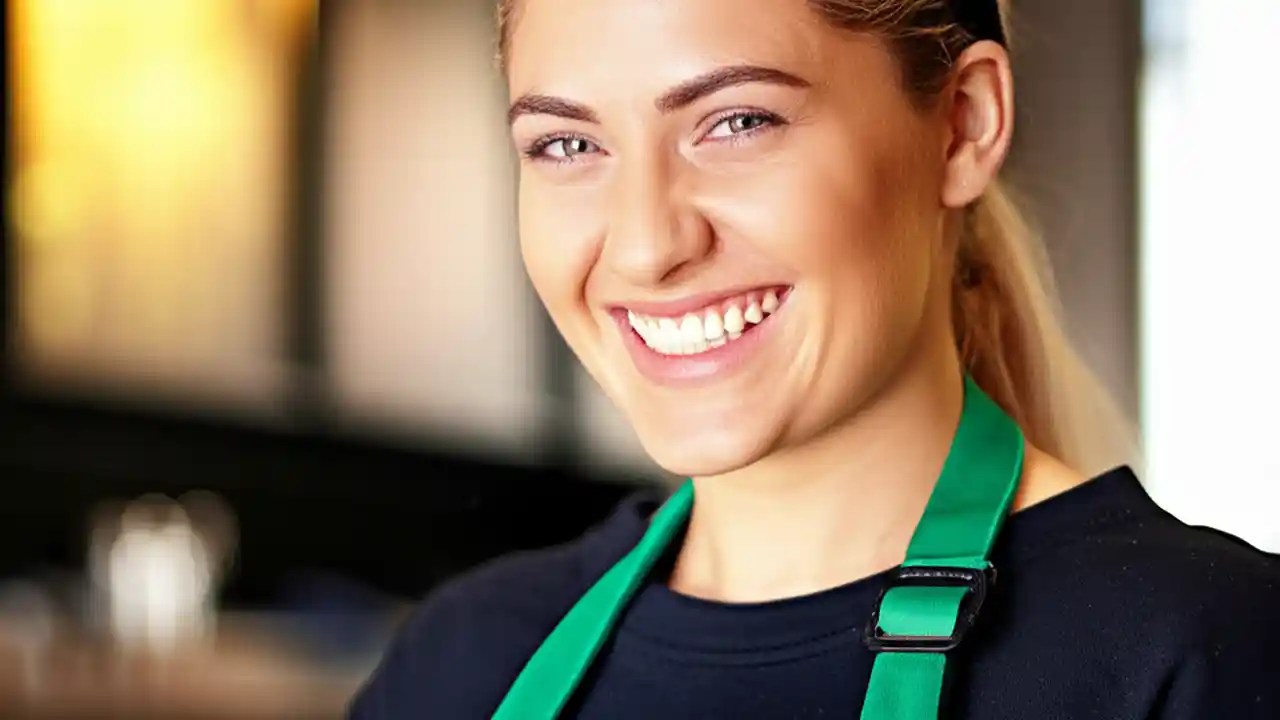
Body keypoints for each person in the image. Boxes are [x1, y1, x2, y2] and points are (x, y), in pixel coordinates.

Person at [348, 0, 1280, 717]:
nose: (643, 245)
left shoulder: (1199, 653)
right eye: (566, 143)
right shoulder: (463, 659)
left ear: (962, 123)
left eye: (738, 122)